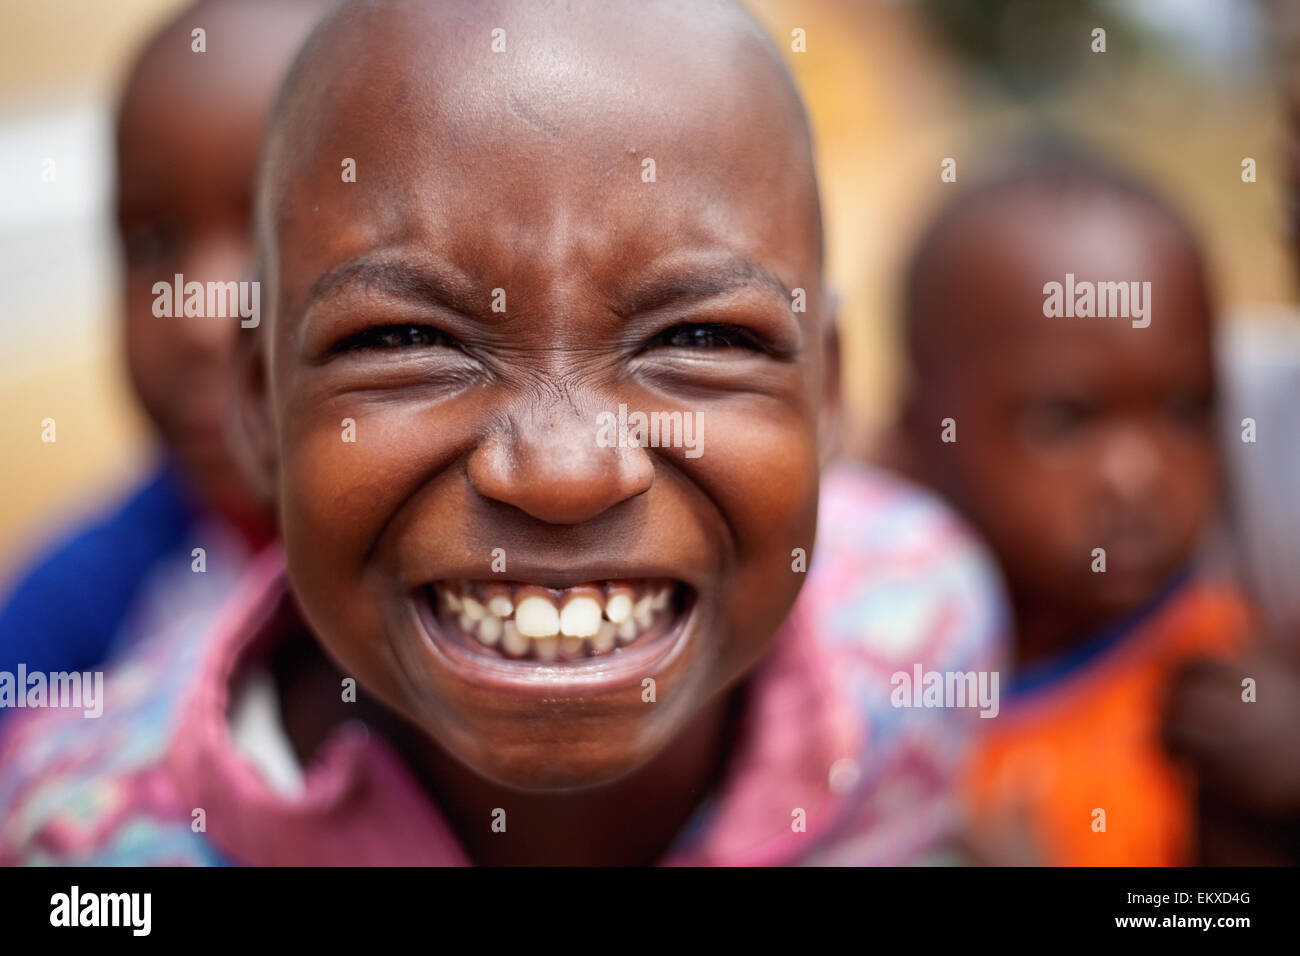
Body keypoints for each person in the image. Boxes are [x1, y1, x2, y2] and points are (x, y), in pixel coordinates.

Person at [0, 0, 1004, 866]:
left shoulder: (920, 638)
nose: (562, 473)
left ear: (827, 391)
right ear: (258, 403)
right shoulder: (84, 836)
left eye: (699, 335)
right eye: (404, 338)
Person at [892, 146, 1251, 865]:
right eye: (1065, 419)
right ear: (919, 434)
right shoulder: (862, 680)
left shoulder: (1220, 695)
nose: (1138, 475)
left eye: (1187, 409)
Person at [0, 0, 324, 698]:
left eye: (269, 231)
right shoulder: (69, 622)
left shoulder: (489, 568)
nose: (199, 318)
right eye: (151, 243)